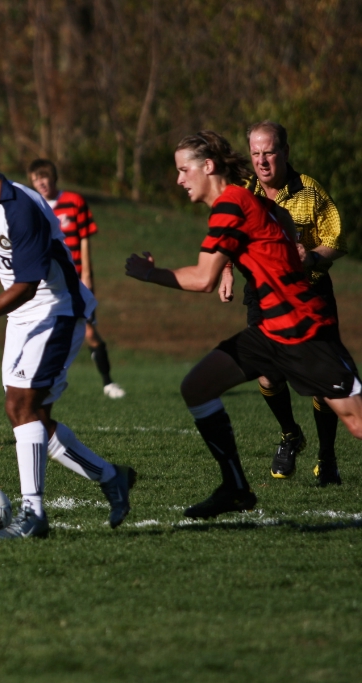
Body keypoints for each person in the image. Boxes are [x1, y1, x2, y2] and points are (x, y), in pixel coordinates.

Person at [125, 131, 362, 519]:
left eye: (184, 170)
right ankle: (235, 487)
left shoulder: (232, 203)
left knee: (357, 423)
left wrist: (150, 274)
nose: (180, 179)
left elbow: (204, 279)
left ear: (208, 166)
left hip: (302, 330)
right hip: (271, 330)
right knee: (198, 386)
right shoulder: (248, 199)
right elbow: (281, 224)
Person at [0, 125, 135, 538]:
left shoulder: (20, 209)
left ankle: (34, 515)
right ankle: (111, 477)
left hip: (56, 311)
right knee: (32, 417)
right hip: (22, 317)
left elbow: (29, 284)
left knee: (19, 408)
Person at [217, 121, 346, 485]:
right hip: (262, 292)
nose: (262, 160)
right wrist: (225, 270)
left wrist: (312, 258)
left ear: (285, 152)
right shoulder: (244, 192)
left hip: (311, 292)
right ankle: (290, 435)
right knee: (267, 371)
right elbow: (226, 235)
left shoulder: (310, 191)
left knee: (323, 378)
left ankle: (327, 455)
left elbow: (336, 240)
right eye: (256, 153)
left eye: (269, 152)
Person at [29, 159, 125, 399]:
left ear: (53, 177)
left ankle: (108, 382)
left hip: (76, 279)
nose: (40, 182)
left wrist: (87, 274)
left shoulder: (74, 202)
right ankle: (45, 381)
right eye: (35, 178)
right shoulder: (34, 205)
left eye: (44, 177)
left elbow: (84, 239)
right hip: (49, 282)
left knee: (89, 332)